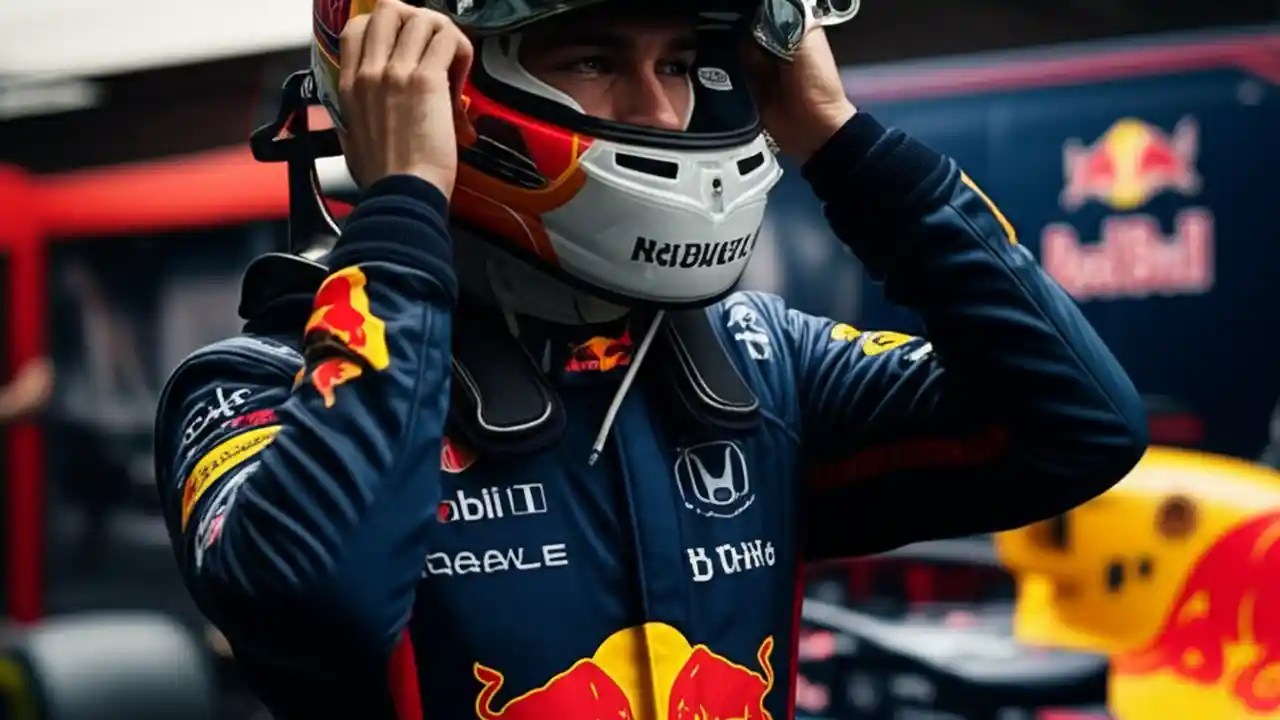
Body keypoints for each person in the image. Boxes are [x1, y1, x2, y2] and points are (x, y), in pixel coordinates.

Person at [153, 0, 1149, 717]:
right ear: (419, 82)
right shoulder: (252, 385)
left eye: (677, 61)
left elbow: (1078, 428)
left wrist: (840, 144)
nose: (661, 110)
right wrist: (405, 199)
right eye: (592, 57)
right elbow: (314, 601)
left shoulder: (761, 365)